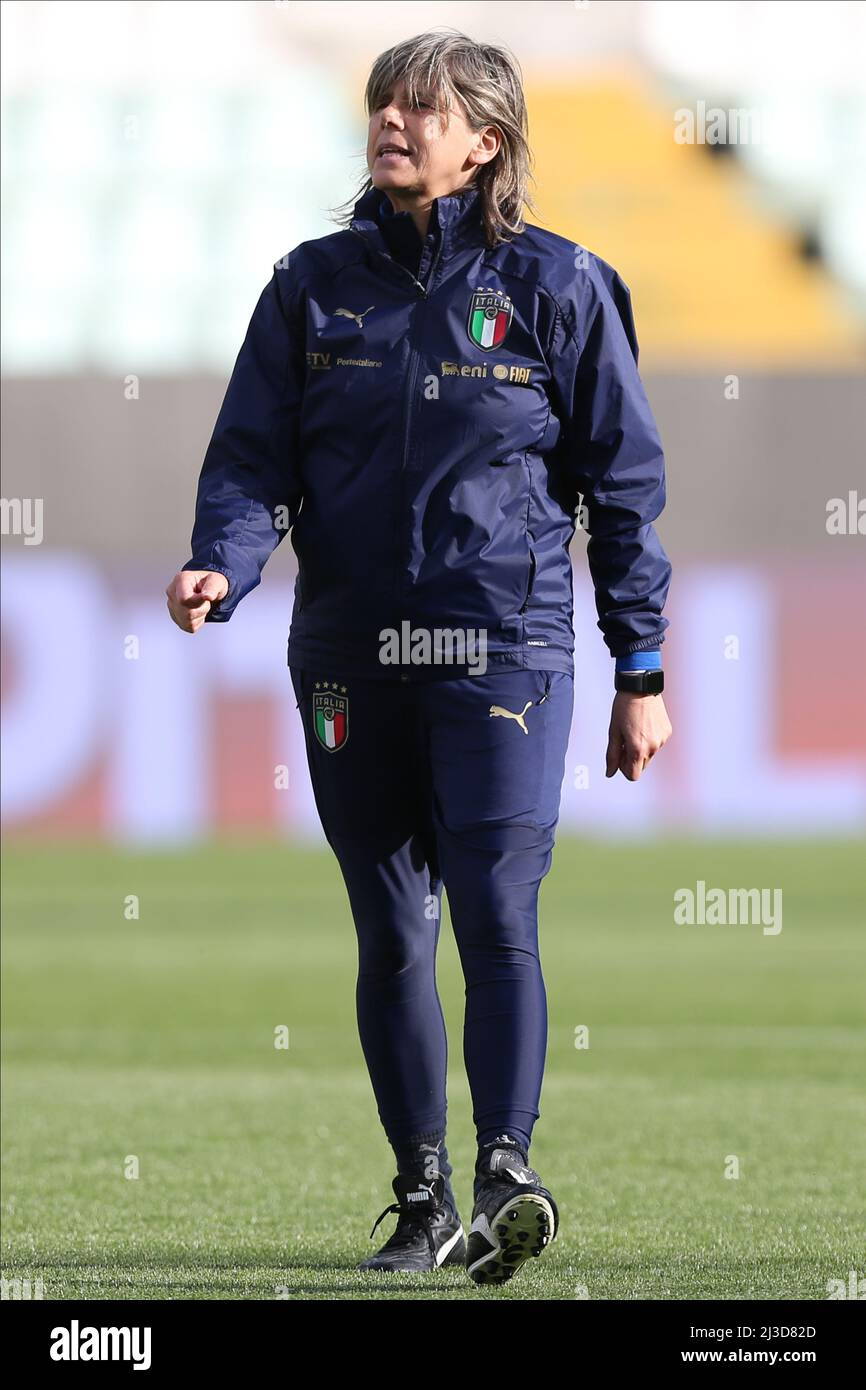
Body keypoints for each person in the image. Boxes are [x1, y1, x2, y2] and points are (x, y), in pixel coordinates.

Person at [165, 28, 672, 1286]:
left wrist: (643, 671)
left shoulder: (559, 285)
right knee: (391, 932)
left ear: (483, 141)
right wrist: (220, 563)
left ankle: (508, 1167)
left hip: (502, 646)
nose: (392, 121)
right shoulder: (310, 284)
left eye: (422, 108)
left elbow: (622, 489)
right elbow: (249, 458)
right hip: (346, 650)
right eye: (383, 104)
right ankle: (421, 1200)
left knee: (495, 911)